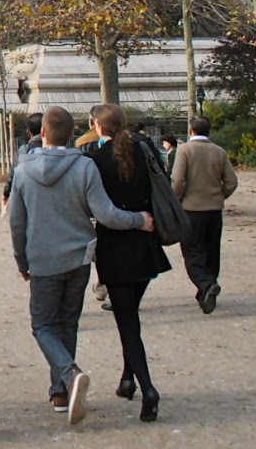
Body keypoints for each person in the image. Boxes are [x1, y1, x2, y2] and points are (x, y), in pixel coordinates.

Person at [8, 106, 153, 427]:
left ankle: (68, 376)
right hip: (78, 257)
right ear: (71, 134)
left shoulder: (23, 171)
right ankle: (60, 389)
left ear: (42, 133)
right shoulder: (85, 167)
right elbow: (106, 214)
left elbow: (17, 224)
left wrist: (22, 260)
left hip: (43, 258)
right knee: (67, 323)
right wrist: (138, 220)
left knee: (43, 326)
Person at [84, 104, 171, 422]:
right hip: (146, 239)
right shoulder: (144, 150)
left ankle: (148, 388)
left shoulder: (93, 160)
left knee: (128, 323)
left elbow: (94, 207)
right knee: (129, 316)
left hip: (114, 244)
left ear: (95, 125)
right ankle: (127, 379)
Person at [171, 115, 239, 314]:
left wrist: (178, 198)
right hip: (214, 208)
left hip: (191, 208)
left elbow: (177, 180)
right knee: (211, 250)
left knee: (192, 252)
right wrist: (220, 195)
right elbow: (231, 181)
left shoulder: (184, 150)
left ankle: (205, 283)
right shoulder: (219, 152)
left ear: (191, 130)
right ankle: (208, 288)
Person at [1, 112, 46, 209]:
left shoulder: (23, 151)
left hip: (29, 197)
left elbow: (12, 174)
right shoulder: (54, 149)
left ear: (29, 132)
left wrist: (6, 193)